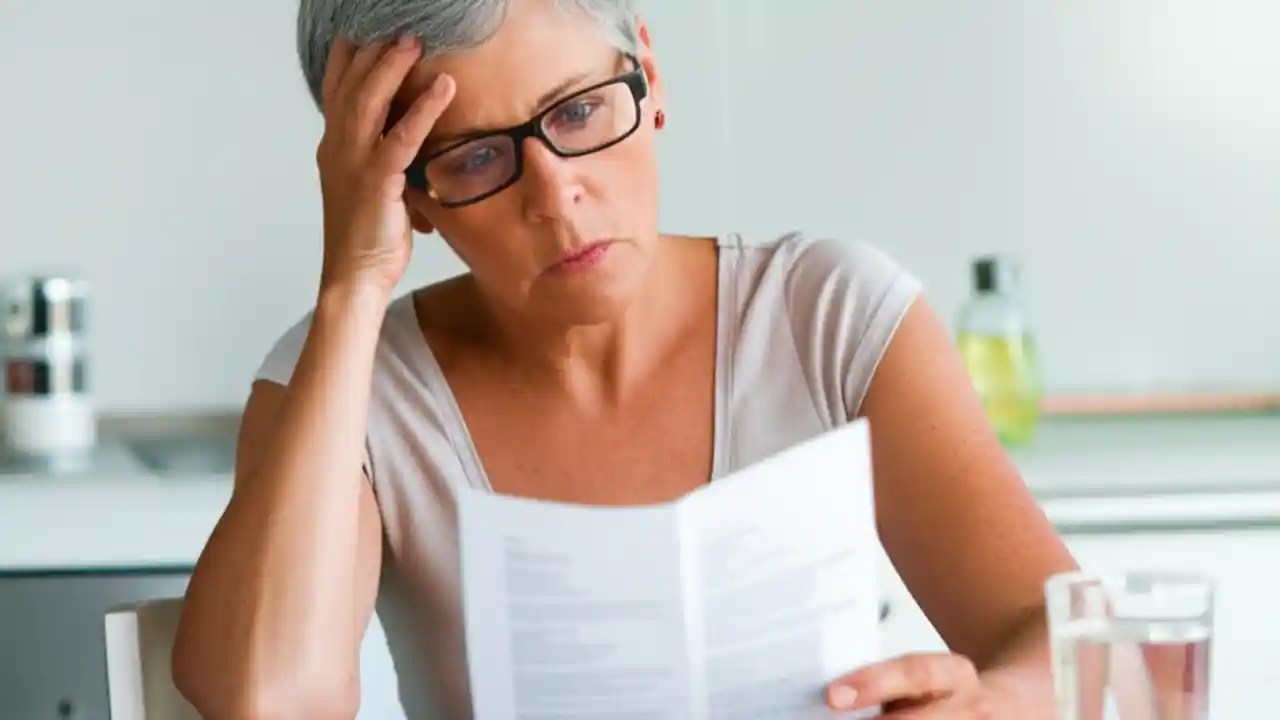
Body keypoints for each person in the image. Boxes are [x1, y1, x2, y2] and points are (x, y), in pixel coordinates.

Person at [171, 0, 1077, 717]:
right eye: (475, 158)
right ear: (405, 193)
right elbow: (269, 701)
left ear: (648, 70)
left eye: (578, 111)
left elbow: (1073, 642)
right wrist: (353, 283)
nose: (556, 195)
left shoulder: (826, 316)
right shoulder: (350, 383)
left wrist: (999, 704)